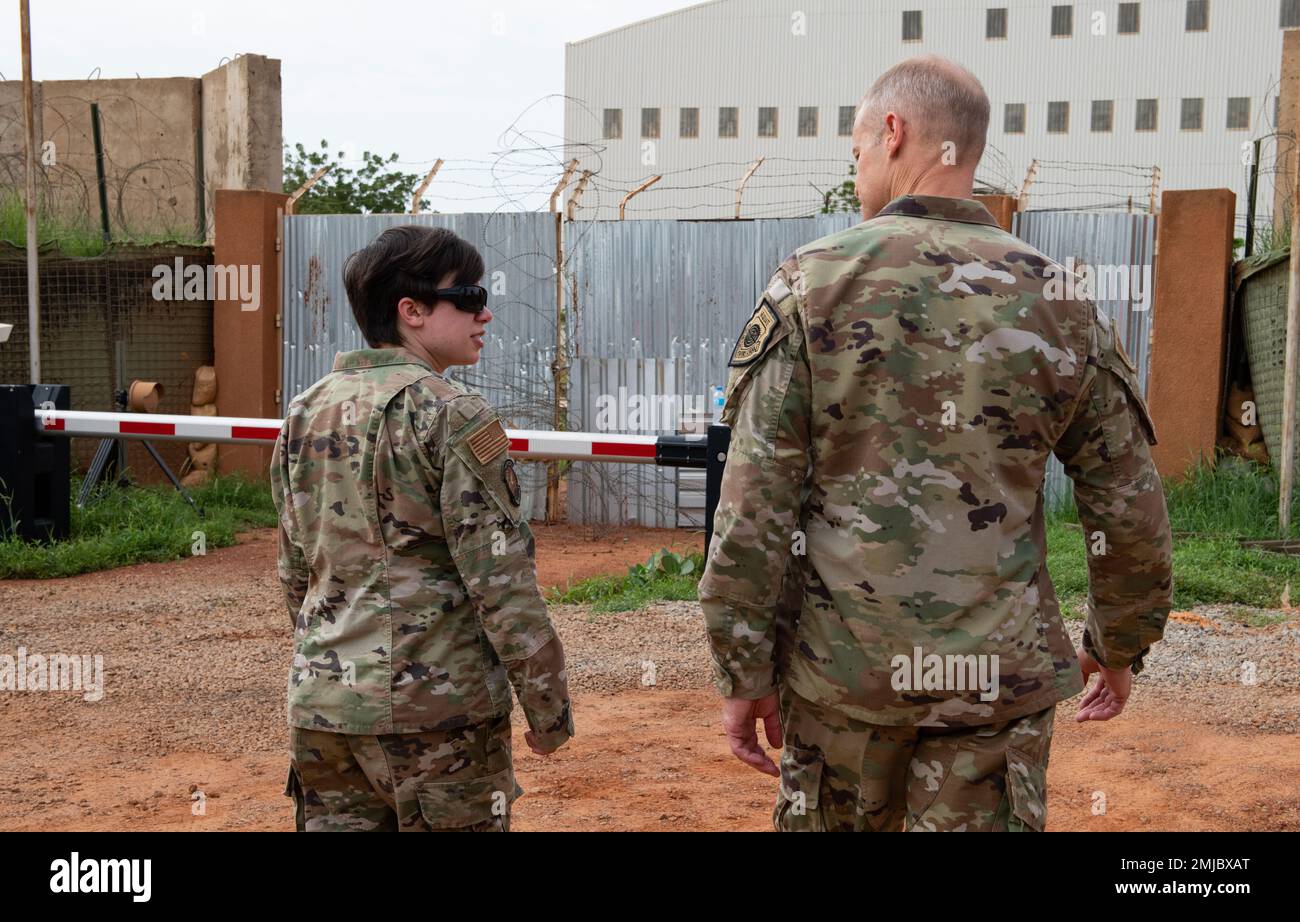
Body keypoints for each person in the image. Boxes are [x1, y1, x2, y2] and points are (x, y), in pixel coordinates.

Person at [698, 56, 1173, 832]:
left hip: (844, 687)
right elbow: (1126, 507)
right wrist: (1119, 644)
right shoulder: (1061, 300)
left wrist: (742, 667)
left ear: (893, 133)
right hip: (995, 694)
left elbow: (752, 506)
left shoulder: (811, 286)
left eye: (855, 150)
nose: (856, 173)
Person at [270, 225, 572, 831]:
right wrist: (549, 706)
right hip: (438, 721)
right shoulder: (453, 415)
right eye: (468, 297)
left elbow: (297, 575)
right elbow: (501, 581)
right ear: (411, 311)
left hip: (325, 714)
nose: (485, 313)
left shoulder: (304, 412)